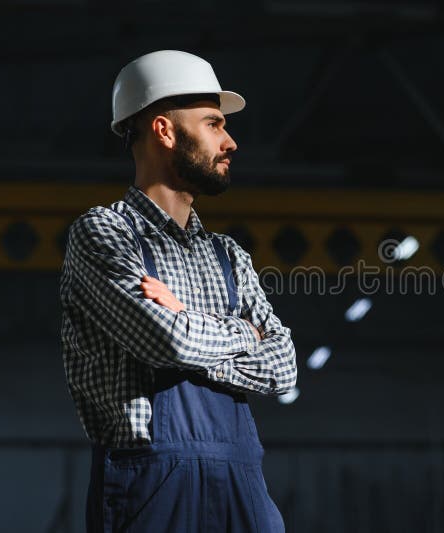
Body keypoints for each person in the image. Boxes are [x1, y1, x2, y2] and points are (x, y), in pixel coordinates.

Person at [60, 50, 297, 532]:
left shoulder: (228, 254)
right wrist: (246, 333)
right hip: (152, 486)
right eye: (214, 123)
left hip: (242, 484)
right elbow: (165, 341)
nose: (230, 141)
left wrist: (185, 316)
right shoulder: (104, 234)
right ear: (164, 131)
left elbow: (285, 365)